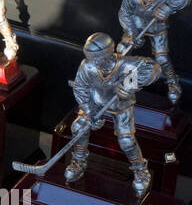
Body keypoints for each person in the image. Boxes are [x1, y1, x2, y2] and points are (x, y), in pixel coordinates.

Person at [65, 32, 161, 196]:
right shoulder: (87, 66)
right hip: (95, 104)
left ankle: (140, 171)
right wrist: (90, 111)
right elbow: (80, 88)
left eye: (96, 58)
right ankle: (79, 161)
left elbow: (154, 69)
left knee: (126, 141)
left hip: (121, 106)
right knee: (79, 127)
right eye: (89, 57)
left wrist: (130, 86)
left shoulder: (126, 65)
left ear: (108, 55)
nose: (92, 62)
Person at [118, 0, 191, 105]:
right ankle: (129, 83)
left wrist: (167, 8)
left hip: (157, 29)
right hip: (136, 28)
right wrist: (131, 33)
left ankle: (172, 82)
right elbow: (124, 13)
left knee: (162, 58)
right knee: (124, 52)